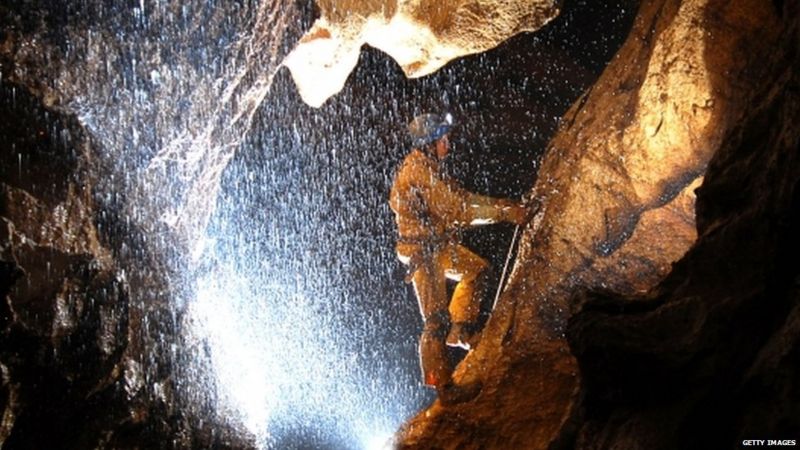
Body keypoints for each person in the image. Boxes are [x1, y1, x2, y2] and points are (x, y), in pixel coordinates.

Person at [389, 112, 529, 405]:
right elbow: (459, 209)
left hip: (435, 246)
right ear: (429, 143)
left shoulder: (429, 165)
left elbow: (462, 197)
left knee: (476, 272)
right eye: (443, 139)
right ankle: (443, 388)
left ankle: (461, 331)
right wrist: (504, 213)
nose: (448, 144)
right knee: (435, 321)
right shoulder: (419, 172)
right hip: (421, 252)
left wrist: (503, 205)